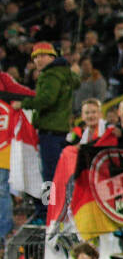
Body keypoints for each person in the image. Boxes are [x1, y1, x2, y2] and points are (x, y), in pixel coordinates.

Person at [19, 41, 77, 188]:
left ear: (52, 57)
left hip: (50, 131)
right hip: (61, 129)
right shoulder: (65, 73)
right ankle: (61, 207)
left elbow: (47, 99)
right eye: (35, 57)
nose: (38, 60)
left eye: (42, 56)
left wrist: (24, 103)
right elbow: (76, 82)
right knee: (60, 172)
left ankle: (49, 208)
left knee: (49, 174)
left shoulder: (50, 74)